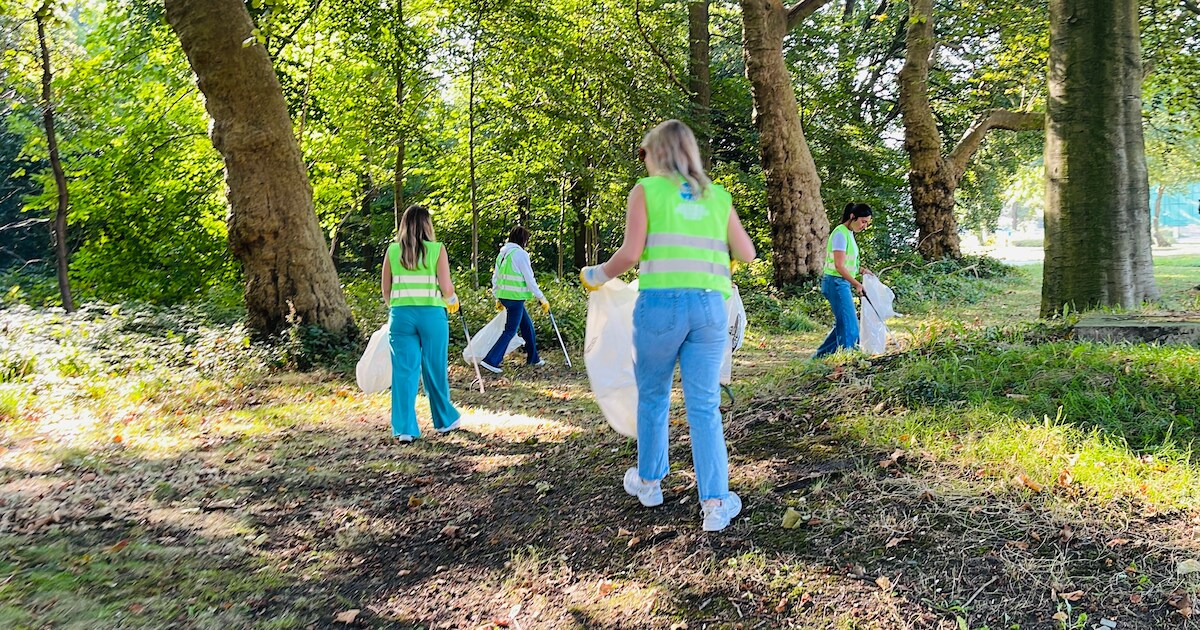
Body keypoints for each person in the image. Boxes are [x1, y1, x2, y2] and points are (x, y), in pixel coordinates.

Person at [580, 119, 756, 532]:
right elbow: (746, 253)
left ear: (656, 153)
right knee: (704, 406)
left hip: (660, 306)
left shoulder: (646, 191)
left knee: (654, 396)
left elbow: (631, 252)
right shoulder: (718, 196)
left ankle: (650, 482)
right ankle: (715, 503)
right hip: (712, 306)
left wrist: (597, 274)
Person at [381, 204, 462, 442]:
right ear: (427, 225)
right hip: (432, 316)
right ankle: (445, 420)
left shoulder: (392, 251)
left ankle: (405, 428)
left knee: (404, 372)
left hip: (401, 316)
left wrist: (396, 307)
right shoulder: (437, 249)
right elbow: (446, 288)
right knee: (434, 367)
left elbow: (386, 289)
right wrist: (452, 299)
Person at [480, 225, 549, 374]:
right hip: (515, 298)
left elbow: (496, 277)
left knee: (527, 326)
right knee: (510, 330)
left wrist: (497, 296)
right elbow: (529, 279)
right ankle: (491, 360)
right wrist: (542, 298)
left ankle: (533, 358)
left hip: (506, 297)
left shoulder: (502, 254)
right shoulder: (520, 254)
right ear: (523, 240)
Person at [813, 202, 873, 358]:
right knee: (850, 324)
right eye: (863, 221)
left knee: (843, 323)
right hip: (836, 282)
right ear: (853, 217)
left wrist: (861, 271)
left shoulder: (849, 233)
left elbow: (846, 263)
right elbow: (839, 266)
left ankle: (819, 357)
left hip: (840, 282)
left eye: (867, 223)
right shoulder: (840, 234)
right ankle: (850, 359)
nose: (864, 226)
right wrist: (857, 284)